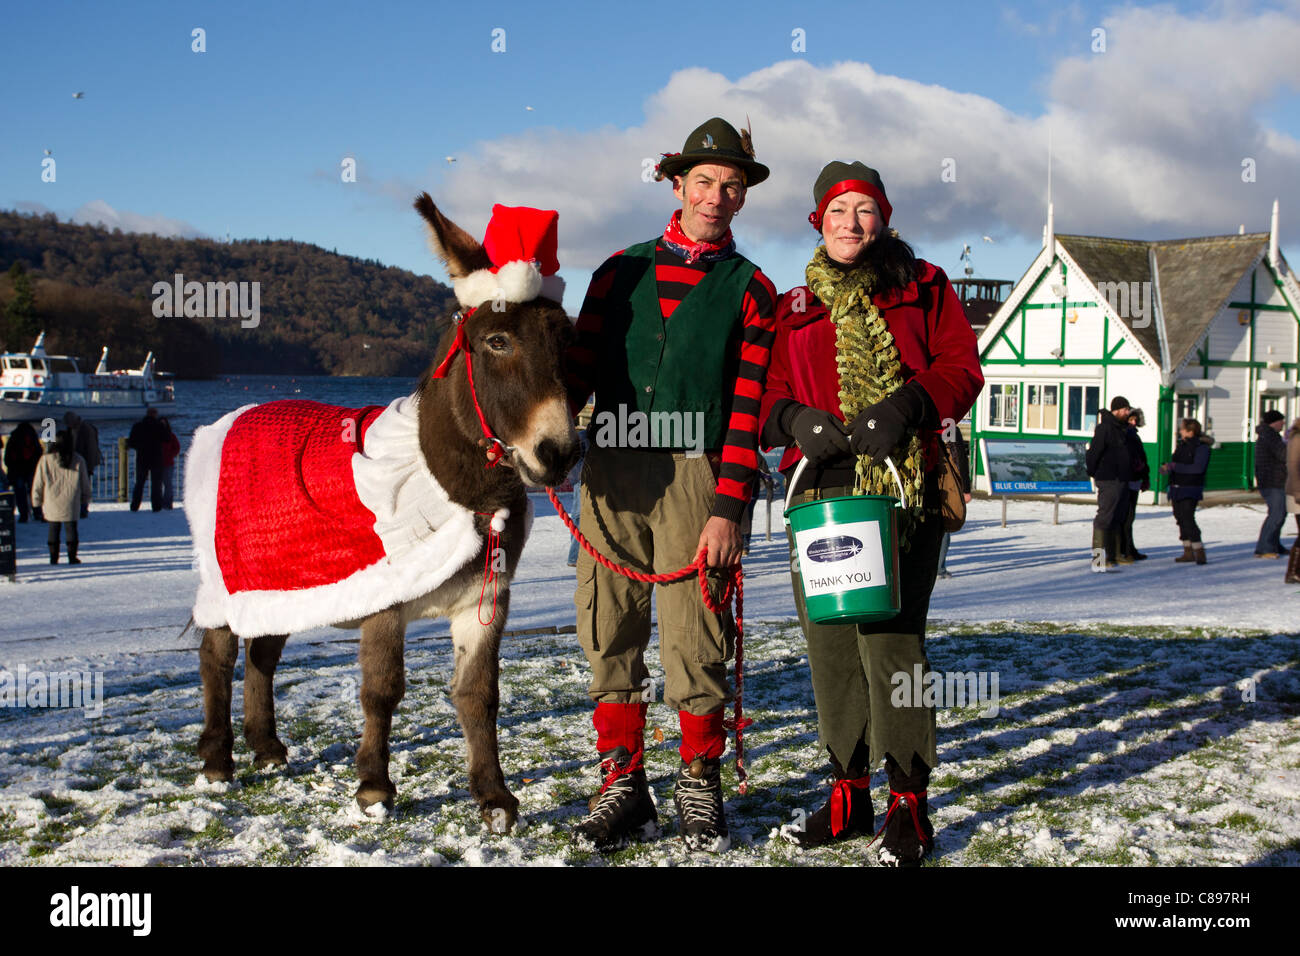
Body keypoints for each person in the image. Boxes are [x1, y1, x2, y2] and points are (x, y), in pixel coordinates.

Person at [759, 160, 983, 865]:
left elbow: (961, 368)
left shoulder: (924, 288)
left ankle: (909, 806)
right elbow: (761, 397)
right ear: (816, 221)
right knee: (830, 648)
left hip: (900, 490)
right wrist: (793, 417)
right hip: (820, 495)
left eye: (865, 209)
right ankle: (848, 797)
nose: (852, 222)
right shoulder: (793, 307)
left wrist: (905, 407)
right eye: (838, 210)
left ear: (883, 218)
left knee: (890, 644)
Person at [564, 116, 777, 853]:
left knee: (697, 635)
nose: (717, 196)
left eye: (732, 186)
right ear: (676, 182)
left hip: (698, 470)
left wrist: (729, 506)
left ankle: (697, 783)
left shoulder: (752, 290)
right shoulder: (616, 272)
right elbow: (574, 375)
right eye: (706, 182)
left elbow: (749, 412)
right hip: (612, 468)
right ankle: (622, 785)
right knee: (608, 624)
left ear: (742, 198)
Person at [1085, 396, 1134, 569]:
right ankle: (1098, 559)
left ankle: (1113, 555)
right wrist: (1093, 471)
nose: (1128, 413)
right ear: (1118, 410)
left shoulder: (1121, 428)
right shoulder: (1105, 427)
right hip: (1108, 478)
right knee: (1105, 517)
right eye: (1126, 410)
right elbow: (1094, 452)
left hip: (1121, 479)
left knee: (1118, 517)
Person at [31, 429, 92, 564]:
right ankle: (72, 556)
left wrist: (36, 500)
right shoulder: (78, 459)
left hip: (51, 499)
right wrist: (85, 498)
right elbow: (85, 481)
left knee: (53, 528)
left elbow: (38, 482)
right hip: (71, 499)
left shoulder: (46, 459)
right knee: (71, 528)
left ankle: (53, 557)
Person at [1159, 418, 1212, 564]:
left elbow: (1197, 468)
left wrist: (1174, 466)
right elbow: (1177, 464)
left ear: (1190, 431)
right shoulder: (1182, 445)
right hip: (1177, 487)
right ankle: (1187, 550)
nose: (1180, 431)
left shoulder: (1202, 448)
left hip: (1191, 487)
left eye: (1182, 428)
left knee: (1188, 518)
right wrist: (1167, 468)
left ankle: (1199, 550)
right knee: (1180, 518)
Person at [935, 424, 972, 578]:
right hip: (945, 485)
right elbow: (958, 458)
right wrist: (965, 488)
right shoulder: (948, 424)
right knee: (944, 526)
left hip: (923, 484)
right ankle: (939, 569)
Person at [1253, 409, 1288, 558]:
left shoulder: (1269, 435)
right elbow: (1283, 454)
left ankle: (1274, 544)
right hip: (1273, 481)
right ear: (1275, 422)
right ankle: (1265, 548)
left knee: (1279, 513)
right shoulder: (1270, 436)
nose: (1283, 424)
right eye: (1281, 421)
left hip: (1272, 480)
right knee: (1277, 514)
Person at [1118, 407, 1150, 562]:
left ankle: (1128, 548)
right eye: (1131, 419)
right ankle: (1121, 550)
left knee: (1129, 517)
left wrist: (1144, 474)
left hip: (1134, 479)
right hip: (1128, 480)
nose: (1133, 422)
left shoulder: (1132, 435)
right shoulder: (1126, 435)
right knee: (1125, 517)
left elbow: (1141, 457)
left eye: (1135, 420)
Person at [2, 421, 42, 522]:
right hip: (31, 470)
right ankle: (37, 512)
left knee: (20, 494)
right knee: (34, 492)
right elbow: (39, 453)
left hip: (17, 471)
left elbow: (7, 458)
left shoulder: (14, 437)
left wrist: (12, 467)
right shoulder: (33, 437)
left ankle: (23, 514)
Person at [128, 406, 165, 512]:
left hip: (142, 457)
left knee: (139, 483)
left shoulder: (138, 426)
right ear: (155, 414)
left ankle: (135, 505)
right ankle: (156, 506)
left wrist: (140, 447)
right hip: (156, 458)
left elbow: (131, 442)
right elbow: (166, 438)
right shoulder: (159, 426)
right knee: (156, 484)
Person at [64, 411, 101, 518]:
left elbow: (90, 449)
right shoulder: (79, 428)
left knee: (83, 486)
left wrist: (89, 466)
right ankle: (80, 508)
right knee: (81, 486)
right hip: (80, 462)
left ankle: (83, 508)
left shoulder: (85, 429)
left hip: (84, 462)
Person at [1285, 418, 1300, 583]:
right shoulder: (1297, 439)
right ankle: (1293, 572)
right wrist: (1298, 493)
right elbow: (1294, 466)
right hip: (1298, 493)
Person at [159, 417, 181, 510]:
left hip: (167, 463)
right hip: (158, 463)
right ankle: (161, 502)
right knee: (159, 484)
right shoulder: (157, 436)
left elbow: (177, 447)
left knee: (167, 484)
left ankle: (167, 503)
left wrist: (170, 455)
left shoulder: (171, 436)